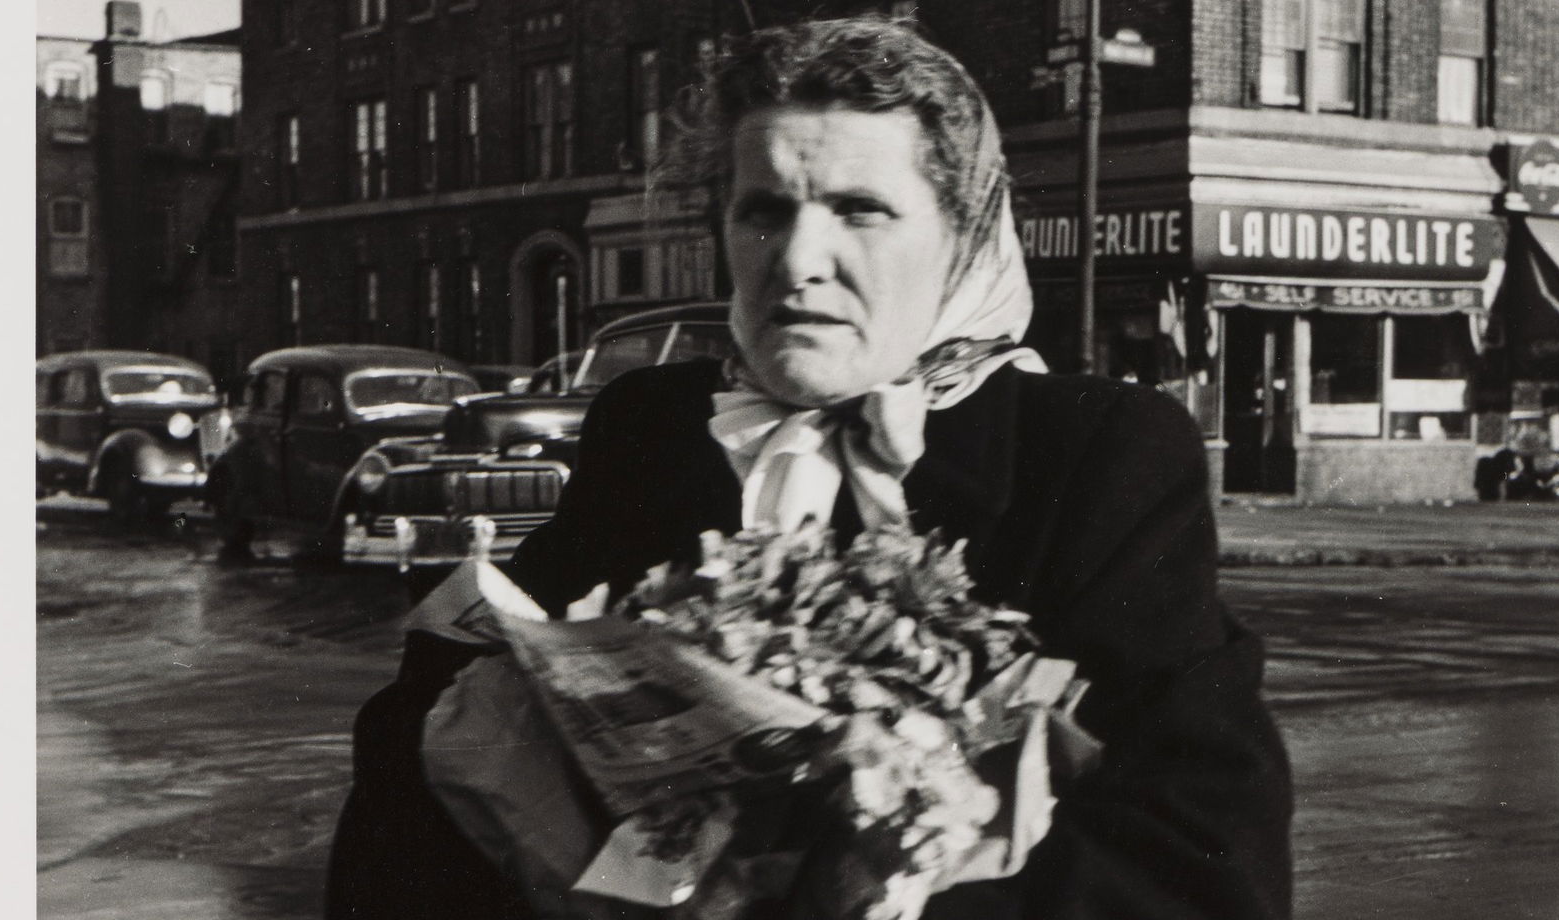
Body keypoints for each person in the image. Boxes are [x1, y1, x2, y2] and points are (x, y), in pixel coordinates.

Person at [326, 17, 1291, 920]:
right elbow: (419, 762)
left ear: (962, 236)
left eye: (859, 210)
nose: (797, 259)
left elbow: (1202, 850)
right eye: (763, 211)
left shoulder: (1092, 452)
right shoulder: (654, 428)